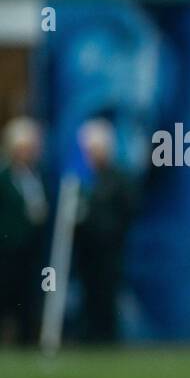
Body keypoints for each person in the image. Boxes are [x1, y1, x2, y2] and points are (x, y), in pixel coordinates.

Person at [75, 119, 137, 344]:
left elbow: (129, 209)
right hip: (85, 248)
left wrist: (111, 229)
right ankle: (89, 336)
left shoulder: (118, 177)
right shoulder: (82, 179)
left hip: (110, 247)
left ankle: (107, 337)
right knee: (88, 291)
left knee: (107, 291)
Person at [0, 117, 49, 345]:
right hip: (8, 248)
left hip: (32, 248)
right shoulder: (4, 178)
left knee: (30, 296)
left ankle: (27, 339)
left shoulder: (39, 176)